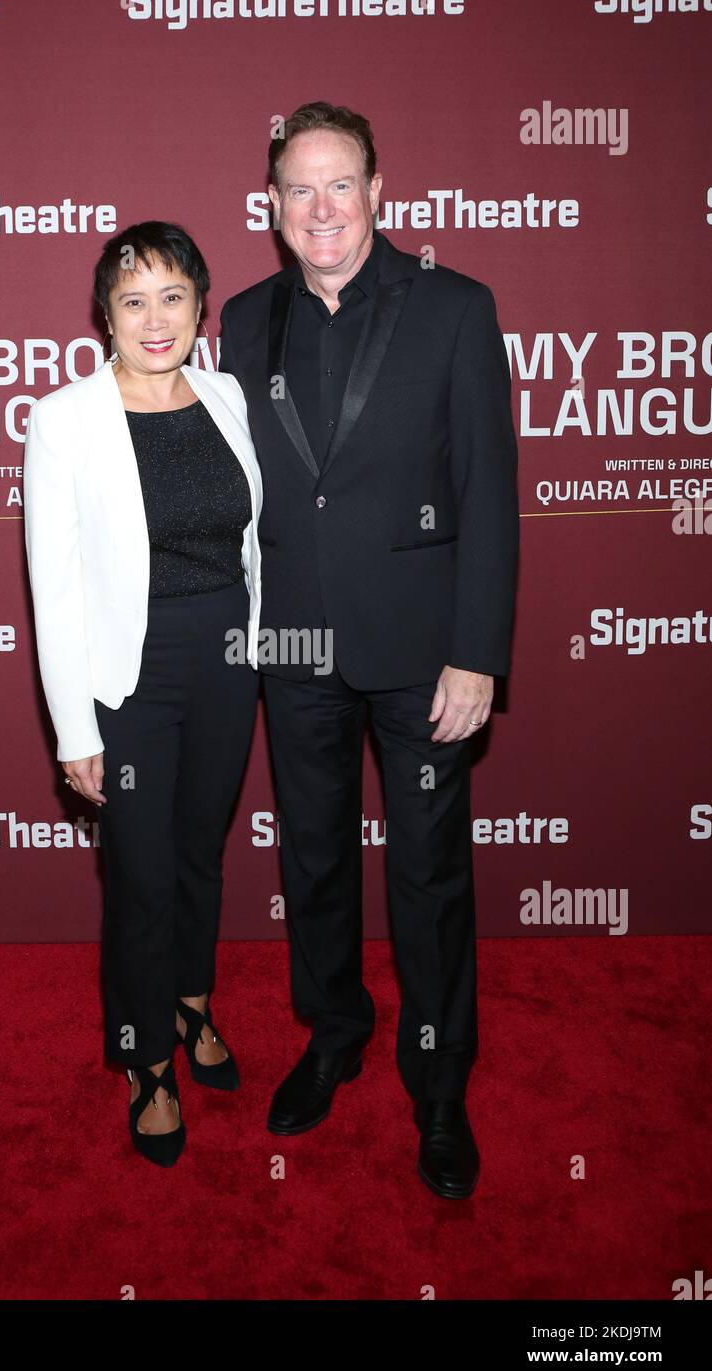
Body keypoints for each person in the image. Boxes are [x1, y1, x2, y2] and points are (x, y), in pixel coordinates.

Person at [219, 103, 519, 1199]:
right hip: (290, 639)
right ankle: (334, 1031)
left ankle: (437, 1085)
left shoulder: (453, 307)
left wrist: (476, 651)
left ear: (378, 190)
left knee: (430, 872)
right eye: (298, 189)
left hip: (420, 646)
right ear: (272, 207)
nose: (320, 208)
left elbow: (488, 490)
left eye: (337, 183)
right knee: (312, 857)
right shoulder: (242, 323)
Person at [23, 221, 263, 1167]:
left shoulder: (231, 394)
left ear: (201, 304)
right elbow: (56, 584)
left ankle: (190, 1001)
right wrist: (72, 724)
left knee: (201, 854)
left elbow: (251, 546)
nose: (155, 319)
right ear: (105, 317)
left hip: (230, 659)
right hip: (130, 672)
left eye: (172, 296)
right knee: (141, 874)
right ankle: (144, 1059)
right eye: (133, 300)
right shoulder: (65, 418)